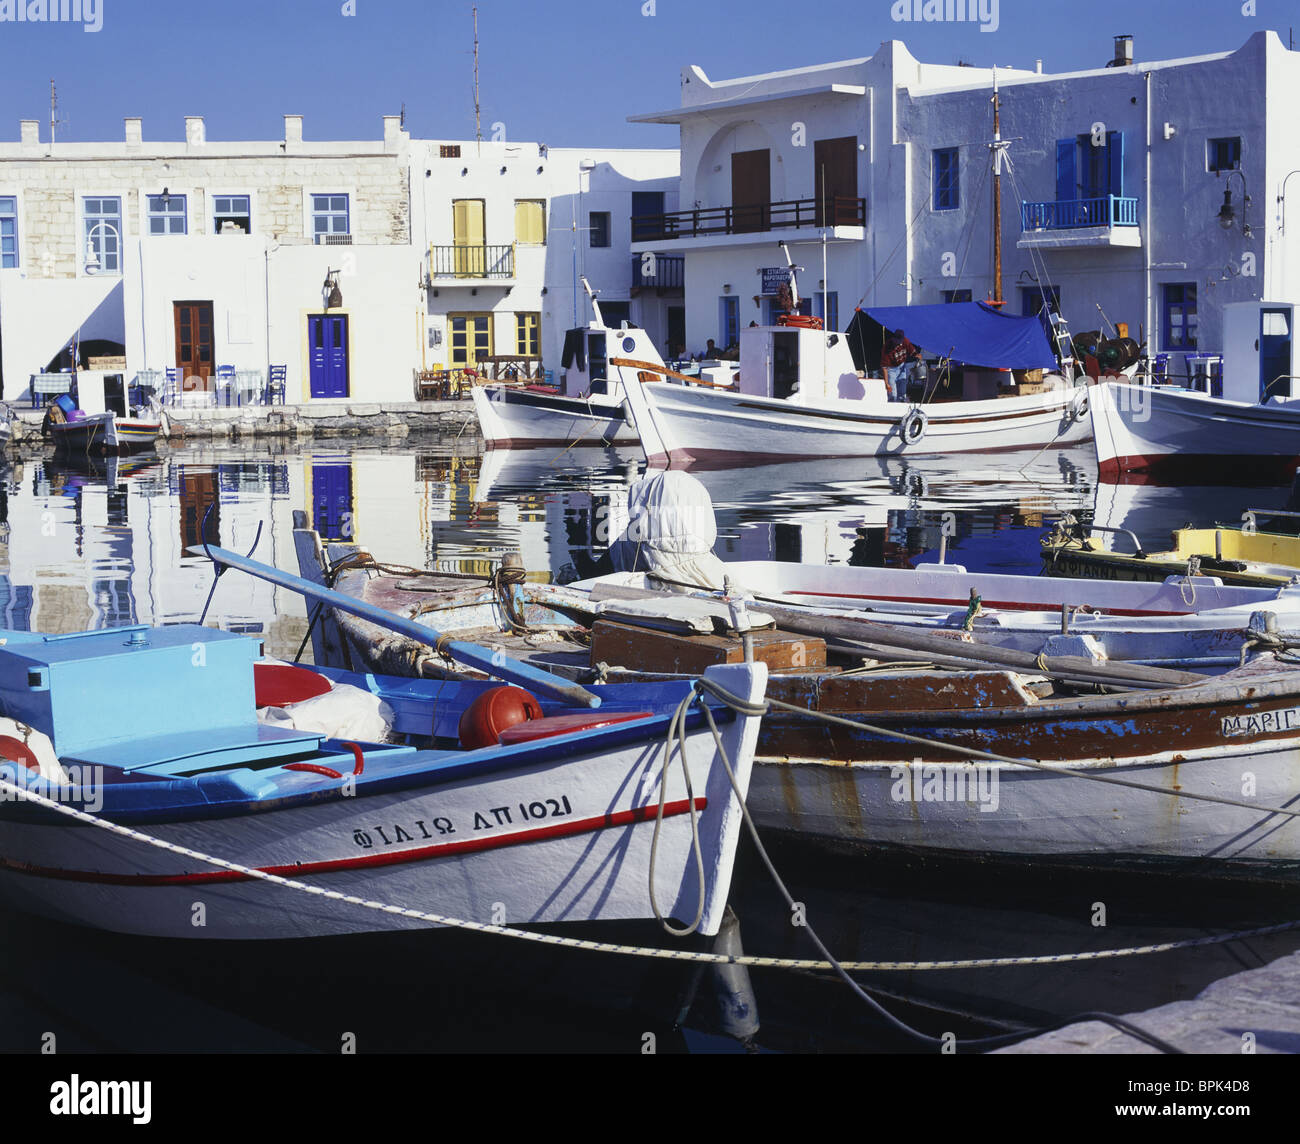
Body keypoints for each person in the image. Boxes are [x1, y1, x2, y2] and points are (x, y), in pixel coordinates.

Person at [883, 328, 922, 401]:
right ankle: (892, 407)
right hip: (891, 369)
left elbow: (911, 350)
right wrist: (886, 383)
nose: (899, 344)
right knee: (892, 394)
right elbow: (884, 368)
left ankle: (901, 405)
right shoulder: (887, 347)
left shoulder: (905, 341)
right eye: (897, 342)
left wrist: (916, 355)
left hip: (902, 367)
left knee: (902, 394)